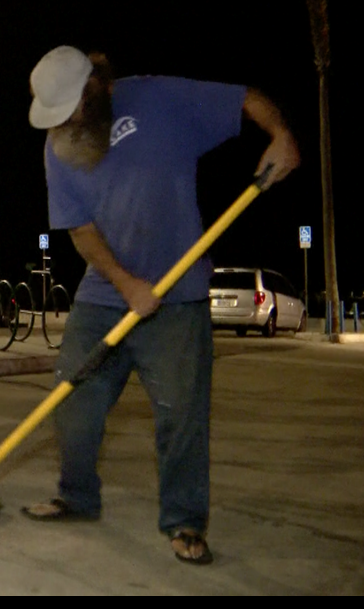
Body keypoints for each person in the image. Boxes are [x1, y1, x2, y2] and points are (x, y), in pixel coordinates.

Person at [22, 46, 300, 565]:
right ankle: (76, 496)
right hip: (104, 296)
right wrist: (126, 284)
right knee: (72, 399)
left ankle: (185, 521)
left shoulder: (158, 99)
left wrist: (280, 135)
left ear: (94, 89)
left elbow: (246, 99)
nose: (63, 124)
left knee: (181, 417)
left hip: (178, 298)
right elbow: (80, 229)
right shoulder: (59, 146)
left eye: (69, 110)